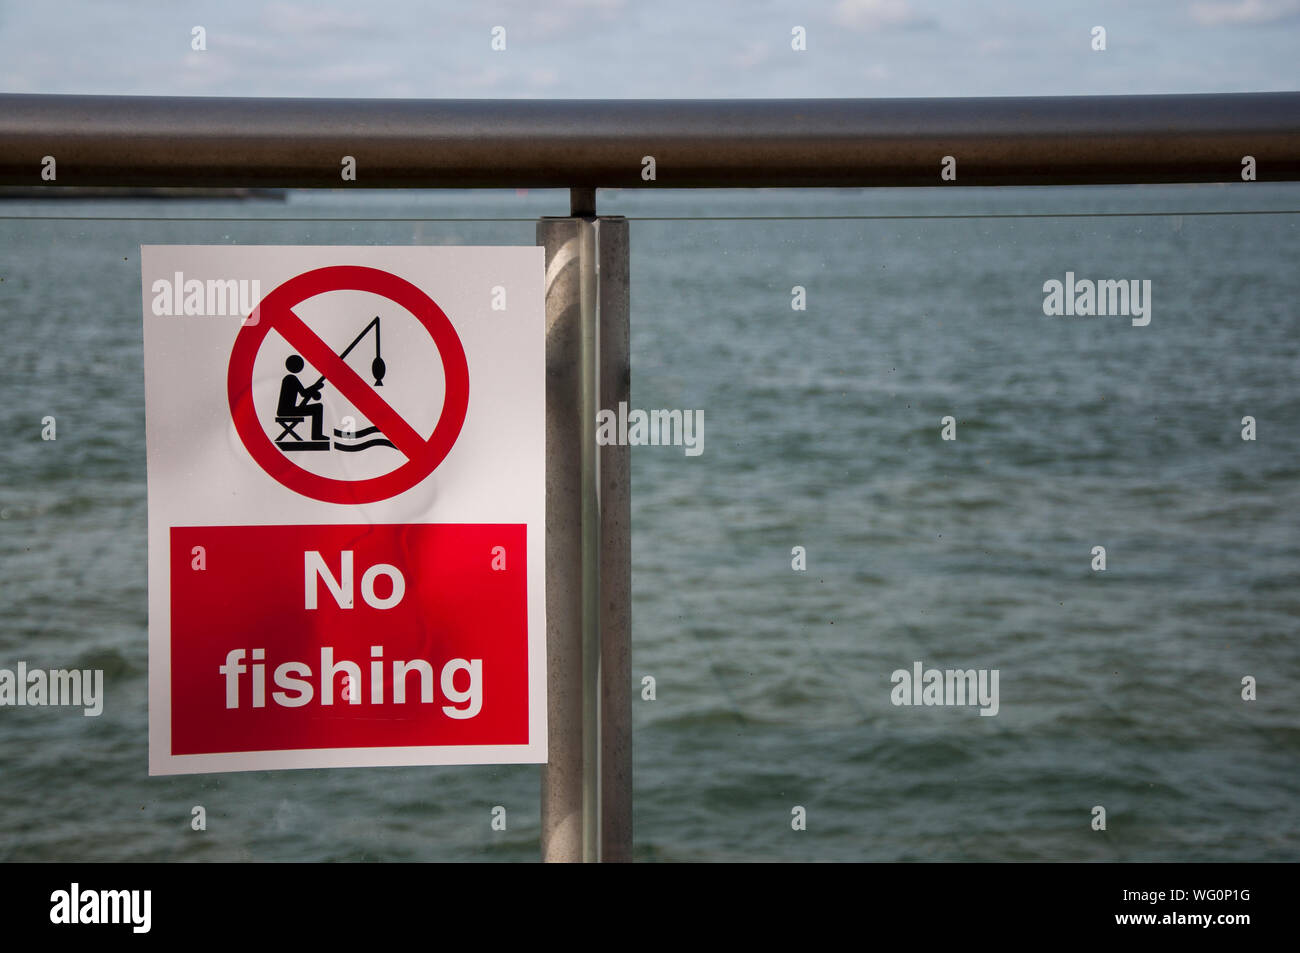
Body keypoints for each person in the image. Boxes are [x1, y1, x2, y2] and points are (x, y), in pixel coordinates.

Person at [277, 354, 326, 441]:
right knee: (318, 408)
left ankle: (316, 435)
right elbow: (303, 393)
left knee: (317, 407)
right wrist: (315, 387)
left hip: (287, 409)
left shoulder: (289, 378)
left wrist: (314, 389)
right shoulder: (291, 378)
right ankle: (316, 435)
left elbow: (304, 393)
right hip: (287, 411)